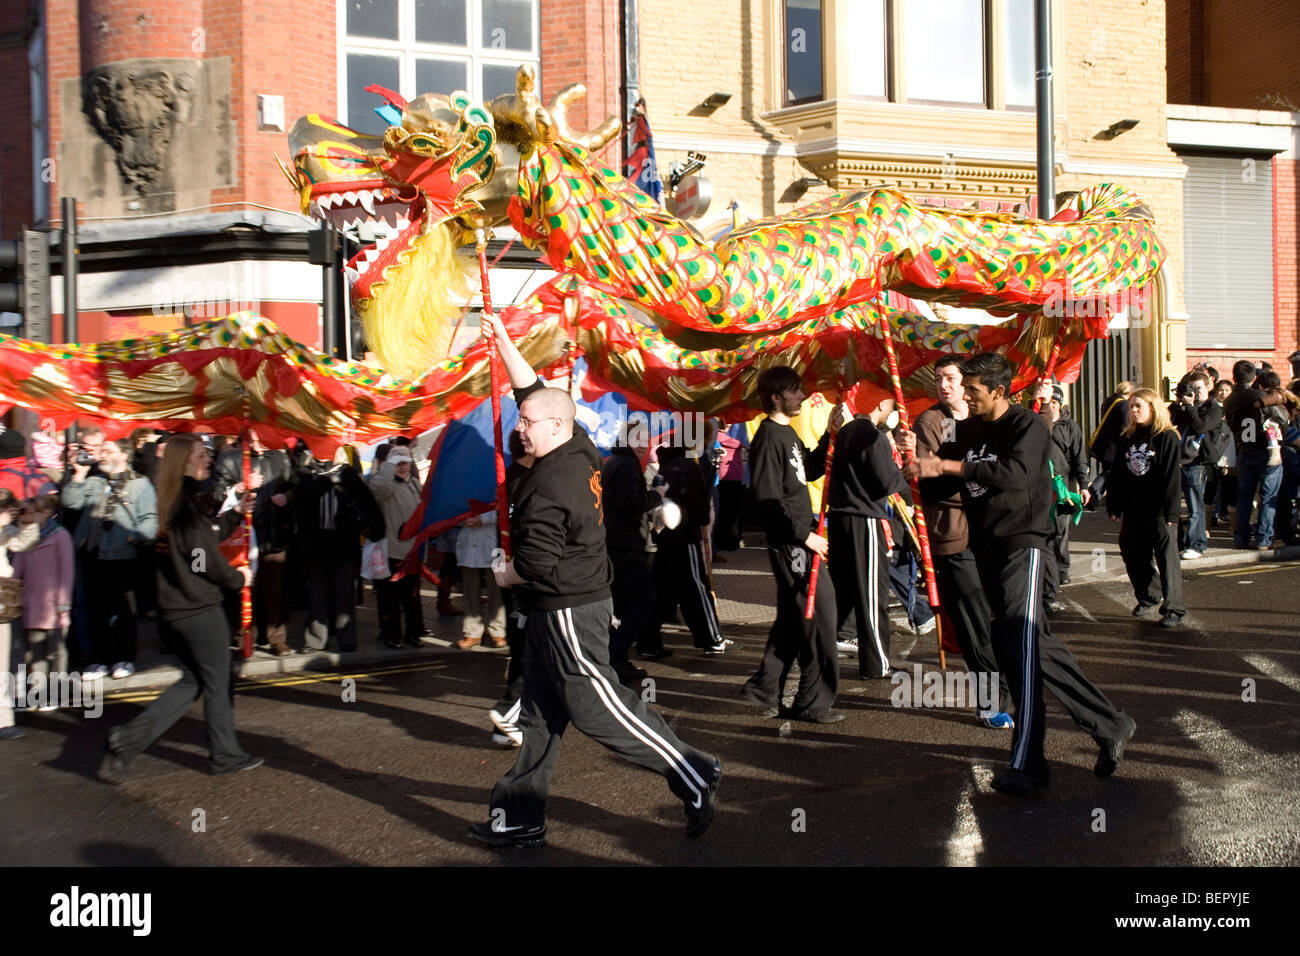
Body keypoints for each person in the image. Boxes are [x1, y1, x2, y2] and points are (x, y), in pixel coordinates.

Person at [469, 313, 720, 848]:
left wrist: (502, 572)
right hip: (558, 606)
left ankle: (694, 772)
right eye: (522, 421)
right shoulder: (578, 444)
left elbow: (533, 566)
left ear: (555, 428)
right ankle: (518, 815)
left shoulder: (546, 485)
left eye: (528, 424)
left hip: (563, 606)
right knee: (538, 716)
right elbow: (531, 392)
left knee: (597, 708)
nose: (520, 428)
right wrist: (507, 343)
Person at [906, 352, 1136, 796]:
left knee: (1019, 652)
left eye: (971, 389)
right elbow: (941, 483)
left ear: (997, 390)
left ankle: (1028, 764)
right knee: (1031, 643)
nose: (964, 396)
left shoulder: (1027, 426)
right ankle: (1111, 723)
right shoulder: (966, 429)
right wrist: (917, 466)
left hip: (1024, 547)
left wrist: (951, 465)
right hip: (985, 548)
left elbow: (1014, 475)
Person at [101, 435, 263, 780]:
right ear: (184, 461)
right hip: (199, 610)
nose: (209, 460)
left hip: (175, 610)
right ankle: (225, 755)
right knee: (219, 683)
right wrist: (237, 579)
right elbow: (201, 558)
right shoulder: (183, 505)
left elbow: (203, 537)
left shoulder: (175, 499)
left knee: (193, 682)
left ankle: (125, 740)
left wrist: (235, 514)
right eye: (202, 455)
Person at [739, 366, 844, 724]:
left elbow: (810, 470)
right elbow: (766, 499)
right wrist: (805, 534)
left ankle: (764, 688)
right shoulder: (768, 438)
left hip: (801, 537)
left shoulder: (787, 435)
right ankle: (813, 702)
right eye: (795, 391)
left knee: (791, 619)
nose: (802, 396)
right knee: (820, 617)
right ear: (776, 397)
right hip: (794, 544)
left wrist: (831, 436)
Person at [914, 356, 1013, 729]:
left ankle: (1007, 688)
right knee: (975, 626)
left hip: (993, 534)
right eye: (939, 378)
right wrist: (974, 480)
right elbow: (929, 482)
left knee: (1001, 617)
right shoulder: (931, 422)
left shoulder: (983, 419)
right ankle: (990, 703)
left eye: (952, 379)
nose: (946, 386)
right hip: (954, 537)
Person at [61, 437, 158, 680]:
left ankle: (124, 659)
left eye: (108, 450)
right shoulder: (94, 480)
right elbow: (70, 502)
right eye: (102, 451)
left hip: (122, 555)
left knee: (124, 611)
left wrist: (135, 538)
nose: (101, 455)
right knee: (96, 611)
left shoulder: (140, 484)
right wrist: (78, 475)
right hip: (93, 553)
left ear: (123, 455)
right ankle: (99, 660)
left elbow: (150, 519)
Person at [827, 395, 908, 680]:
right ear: (881, 405)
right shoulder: (871, 435)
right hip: (865, 519)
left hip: (840, 518)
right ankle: (877, 662)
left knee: (849, 588)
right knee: (873, 595)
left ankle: (846, 636)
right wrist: (911, 481)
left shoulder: (846, 431)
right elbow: (887, 480)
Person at [641, 431, 735, 659]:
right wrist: (703, 514)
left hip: (666, 537)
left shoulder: (666, 466)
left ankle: (647, 640)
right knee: (697, 588)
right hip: (685, 537)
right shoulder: (687, 467)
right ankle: (712, 638)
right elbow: (699, 506)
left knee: (663, 592)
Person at [1107, 389, 1186, 627]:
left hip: (1159, 509)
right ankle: (1150, 594)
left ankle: (1174, 608)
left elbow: (1172, 476)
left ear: (1153, 407)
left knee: (1166, 557)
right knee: (1131, 551)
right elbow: (1118, 474)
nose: (1133, 411)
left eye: (1138, 406)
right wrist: (1114, 504)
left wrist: (1172, 512)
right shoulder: (1127, 437)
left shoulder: (1167, 437)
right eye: (1131, 406)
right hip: (1133, 507)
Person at [296, 446, 384, 652]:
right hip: (317, 544)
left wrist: (378, 530)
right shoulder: (308, 473)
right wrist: (327, 480)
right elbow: (302, 499)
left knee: (345, 594)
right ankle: (316, 639)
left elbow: (368, 502)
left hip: (343, 544)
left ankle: (347, 639)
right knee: (317, 595)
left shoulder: (348, 474)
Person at [600, 421, 662, 679]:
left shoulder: (613, 462)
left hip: (615, 543)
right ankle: (615, 655)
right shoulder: (625, 465)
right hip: (625, 544)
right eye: (638, 440)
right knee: (642, 600)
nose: (643, 446)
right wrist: (656, 495)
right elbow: (630, 503)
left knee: (622, 603)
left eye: (646, 441)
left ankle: (613, 656)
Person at [11, 494, 75, 703]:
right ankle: (40, 691)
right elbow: (17, 571)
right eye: (28, 512)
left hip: (54, 605)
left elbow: (67, 572)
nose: (30, 516)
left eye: (35, 511)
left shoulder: (60, 535)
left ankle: (58, 692)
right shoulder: (25, 536)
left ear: (47, 512)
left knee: (56, 650)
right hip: (31, 604)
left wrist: (64, 603)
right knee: (34, 650)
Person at [1224, 360, 1286, 550]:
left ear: (1234, 377)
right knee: (1268, 497)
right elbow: (1282, 418)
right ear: (1254, 378)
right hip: (1266, 449)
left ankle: (1241, 538)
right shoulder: (1258, 397)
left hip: (1244, 449)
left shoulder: (1229, 400)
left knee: (1244, 497)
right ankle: (1264, 539)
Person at [368, 445, 426, 649]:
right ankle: (391, 635)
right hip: (391, 550)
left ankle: (413, 633)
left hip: (412, 550)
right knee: (389, 597)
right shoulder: (385, 485)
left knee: (411, 597)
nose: (402, 467)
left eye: (405, 462)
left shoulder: (415, 484)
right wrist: (389, 466)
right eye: (398, 462)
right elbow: (377, 489)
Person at [1170, 370, 1224, 561]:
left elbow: (1201, 427)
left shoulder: (1214, 408)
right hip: (1180, 461)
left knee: (1195, 506)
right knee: (1176, 507)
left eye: (1199, 388)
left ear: (1209, 386)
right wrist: (1178, 404)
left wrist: (1191, 407)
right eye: (1192, 388)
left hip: (1197, 462)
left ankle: (1197, 545)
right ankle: (1178, 543)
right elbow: (1171, 421)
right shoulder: (1186, 406)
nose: (1196, 392)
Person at [0, 488, 39, 740]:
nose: (9, 513)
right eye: (6, 508)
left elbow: (25, 543)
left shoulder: (5, 531)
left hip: (2, 598)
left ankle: (3, 720)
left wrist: (27, 521)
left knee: (1, 663)